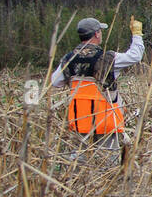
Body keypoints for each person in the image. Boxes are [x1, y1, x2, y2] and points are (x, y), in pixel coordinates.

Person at [51, 16, 144, 151]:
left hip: (79, 122)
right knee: (108, 166)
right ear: (96, 34)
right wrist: (136, 35)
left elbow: (55, 82)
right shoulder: (107, 58)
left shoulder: (68, 59)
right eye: (100, 31)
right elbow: (135, 55)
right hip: (105, 123)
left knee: (80, 165)